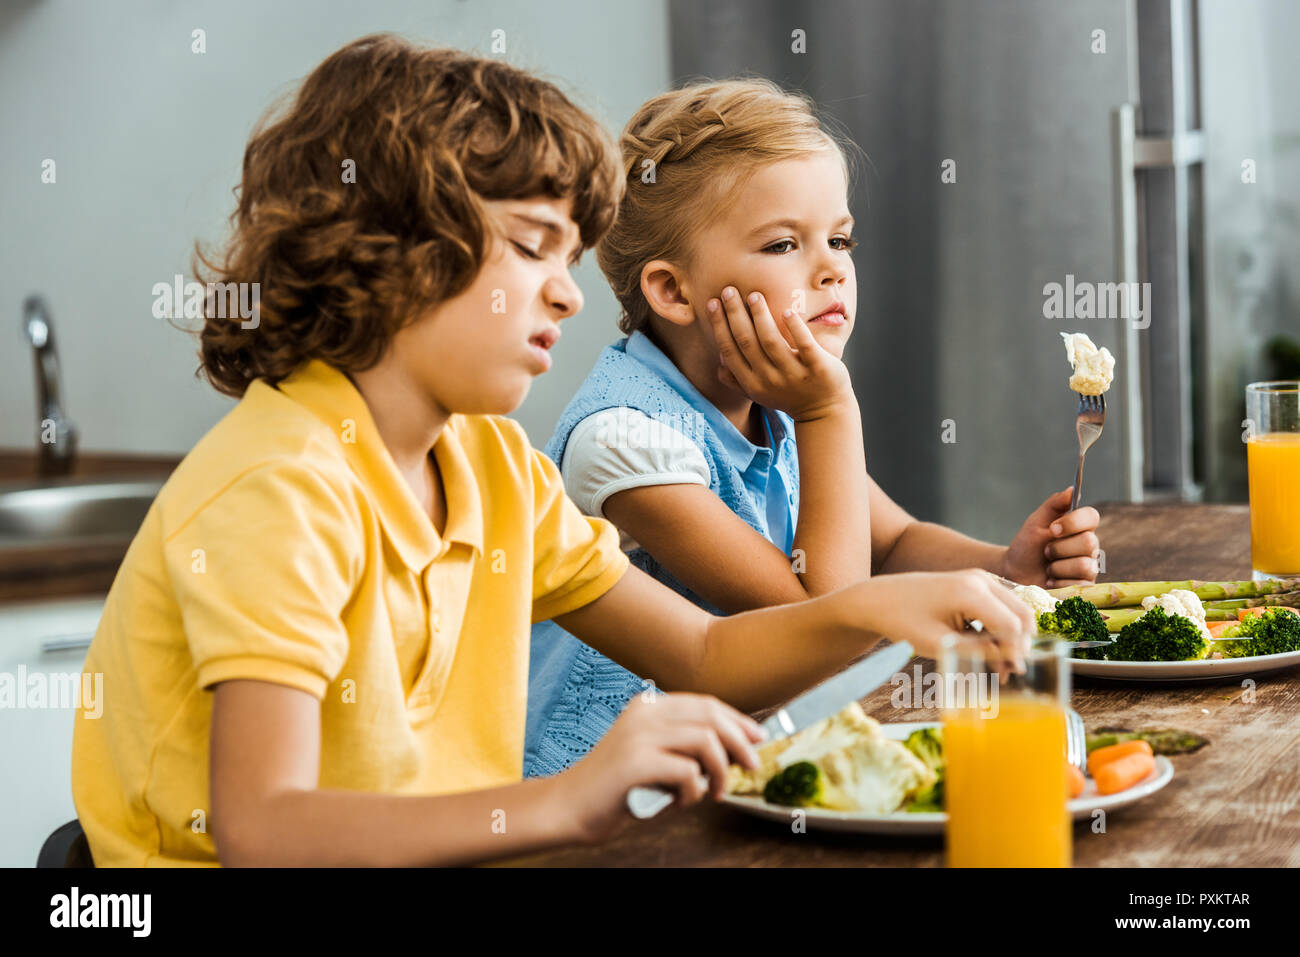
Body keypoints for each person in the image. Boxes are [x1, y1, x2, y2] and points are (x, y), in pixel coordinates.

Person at [71, 36, 1034, 867]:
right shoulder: (281, 488)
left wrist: (882, 603)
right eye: (532, 247)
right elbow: (264, 832)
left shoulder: (491, 467)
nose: (568, 297)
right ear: (396, 249)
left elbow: (701, 651)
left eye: (568, 258)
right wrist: (569, 799)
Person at [526, 79, 1100, 777]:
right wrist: (829, 412)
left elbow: (892, 545)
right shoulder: (622, 443)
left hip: (743, 768)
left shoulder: (774, 401)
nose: (832, 269)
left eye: (839, 238)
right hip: (617, 808)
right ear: (674, 291)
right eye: (782, 245)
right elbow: (833, 620)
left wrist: (1001, 568)